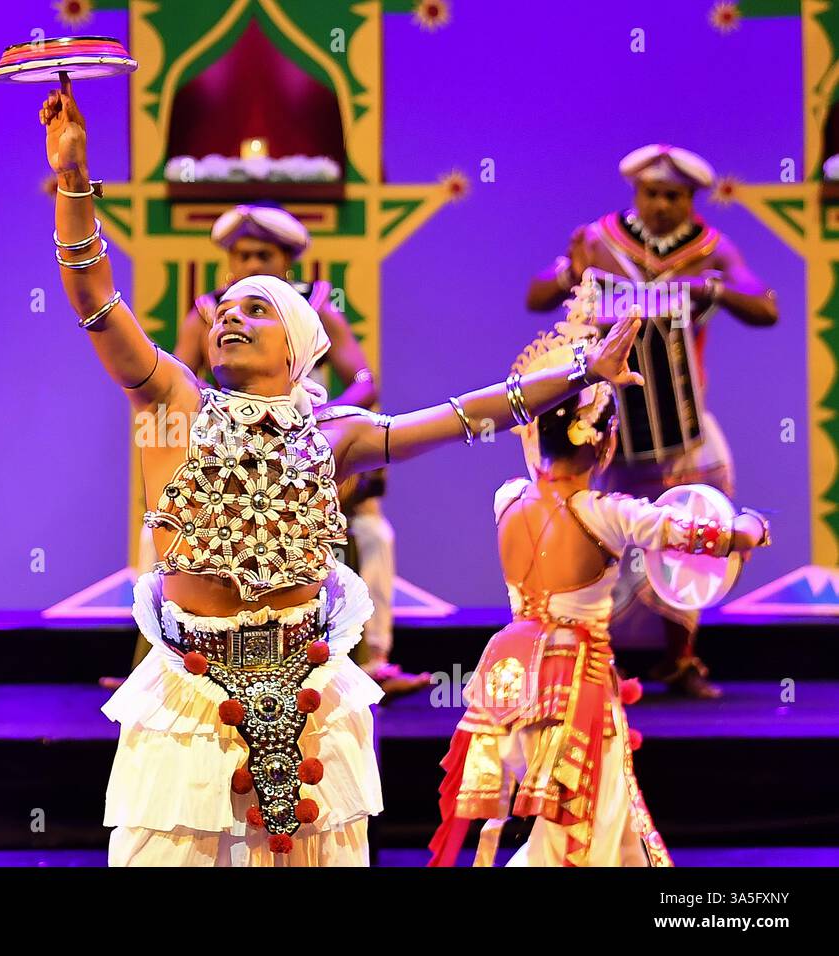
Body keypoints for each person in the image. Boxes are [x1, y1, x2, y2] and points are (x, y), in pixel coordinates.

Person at [39, 74, 644, 866]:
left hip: (312, 700)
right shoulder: (176, 400)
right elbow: (93, 297)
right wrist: (75, 178)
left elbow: (467, 413)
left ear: (298, 346)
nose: (230, 315)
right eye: (226, 308)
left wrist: (579, 373)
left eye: (257, 309)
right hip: (190, 697)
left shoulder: (338, 433)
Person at [428, 288, 771, 867]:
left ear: (530, 433)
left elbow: (537, 457)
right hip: (576, 682)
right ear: (608, 441)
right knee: (584, 817)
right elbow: (697, 534)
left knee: (576, 820)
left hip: (509, 674)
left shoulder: (506, 498)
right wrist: (751, 528)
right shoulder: (605, 514)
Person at [526, 144, 778, 698]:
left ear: (690, 199)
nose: (661, 204)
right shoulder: (598, 240)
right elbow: (537, 294)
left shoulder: (709, 250)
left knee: (693, 522)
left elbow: (767, 305)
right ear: (636, 194)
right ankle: (593, 667)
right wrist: (571, 269)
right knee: (598, 534)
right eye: (651, 194)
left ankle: (680, 659)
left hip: (683, 423)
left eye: (673, 196)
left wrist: (711, 287)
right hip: (609, 423)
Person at [172, 204, 427, 698]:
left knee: (374, 530)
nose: (248, 265)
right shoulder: (209, 312)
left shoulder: (318, 307)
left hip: (307, 451)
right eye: (239, 255)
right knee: (160, 529)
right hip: (230, 456)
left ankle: (375, 658)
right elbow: (178, 387)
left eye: (261, 255)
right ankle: (163, 657)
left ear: (286, 262)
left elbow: (364, 381)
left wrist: (319, 422)